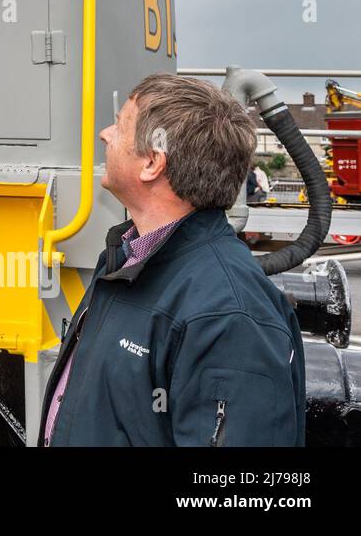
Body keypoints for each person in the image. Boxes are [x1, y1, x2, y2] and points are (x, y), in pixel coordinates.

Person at [40, 73, 305, 446]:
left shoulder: (228, 314)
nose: (105, 134)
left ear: (152, 162)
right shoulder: (127, 258)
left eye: (120, 125)